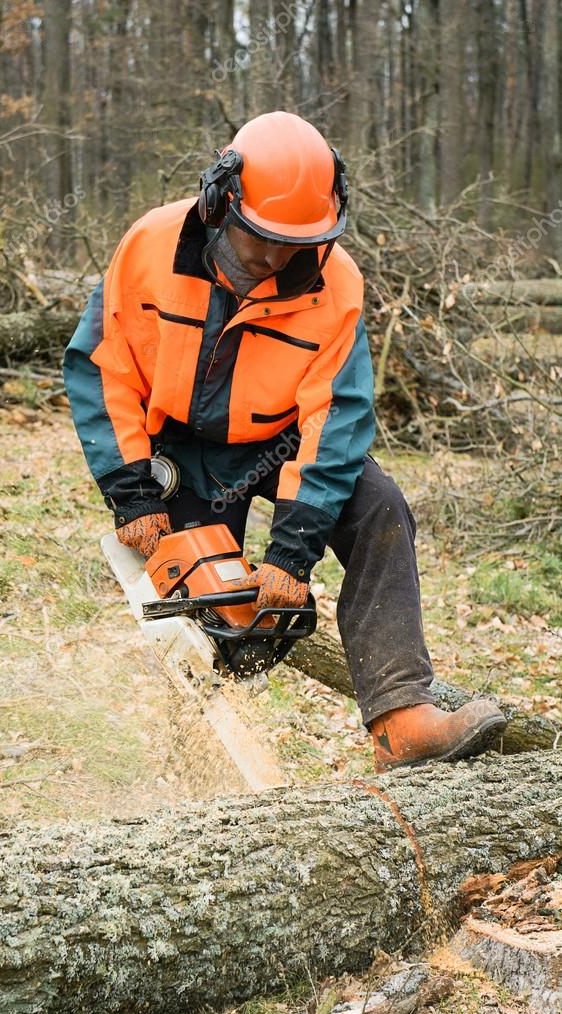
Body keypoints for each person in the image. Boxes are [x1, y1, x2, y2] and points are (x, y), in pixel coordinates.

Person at [63, 110, 506, 772]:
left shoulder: (336, 286)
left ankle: (400, 717)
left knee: (379, 504)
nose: (274, 260)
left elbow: (338, 416)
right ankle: (194, 769)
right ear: (221, 203)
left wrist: (293, 550)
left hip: (280, 438)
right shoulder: (151, 246)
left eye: (294, 244)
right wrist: (130, 489)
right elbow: (103, 366)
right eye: (260, 240)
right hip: (178, 446)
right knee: (211, 624)